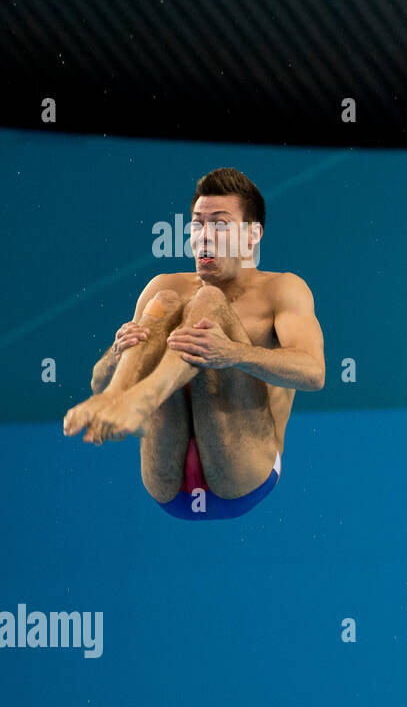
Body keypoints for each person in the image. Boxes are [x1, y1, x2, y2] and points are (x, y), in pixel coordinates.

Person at [63, 168, 325, 518]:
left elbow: (314, 373)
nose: (205, 236)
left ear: (252, 235)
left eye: (219, 224)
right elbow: (98, 381)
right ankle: (127, 399)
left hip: (242, 475)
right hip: (166, 480)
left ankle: (140, 398)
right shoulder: (161, 285)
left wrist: (234, 354)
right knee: (168, 300)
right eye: (197, 224)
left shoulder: (282, 289)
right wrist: (116, 354)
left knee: (208, 301)